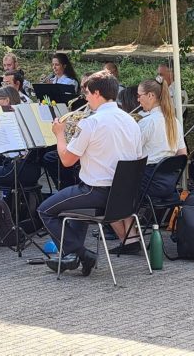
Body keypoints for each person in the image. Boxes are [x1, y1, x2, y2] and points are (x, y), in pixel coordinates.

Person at [38, 71, 143, 275]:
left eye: (86, 92)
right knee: (74, 208)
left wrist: (60, 134)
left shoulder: (91, 123)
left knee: (44, 210)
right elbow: (137, 158)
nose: (84, 97)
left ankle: (81, 254)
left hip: (96, 192)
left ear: (96, 93)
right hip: (124, 197)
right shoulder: (131, 121)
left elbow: (67, 161)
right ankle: (72, 256)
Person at [111, 77, 187, 253]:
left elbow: (130, 154)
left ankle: (129, 241)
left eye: (140, 95)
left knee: (110, 192)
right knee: (122, 190)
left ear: (151, 95)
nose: (137, 100)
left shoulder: (147, 122)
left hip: (149, 182)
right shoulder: (174, 122)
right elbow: (182, 155)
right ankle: (131, 239)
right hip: (168, 184)